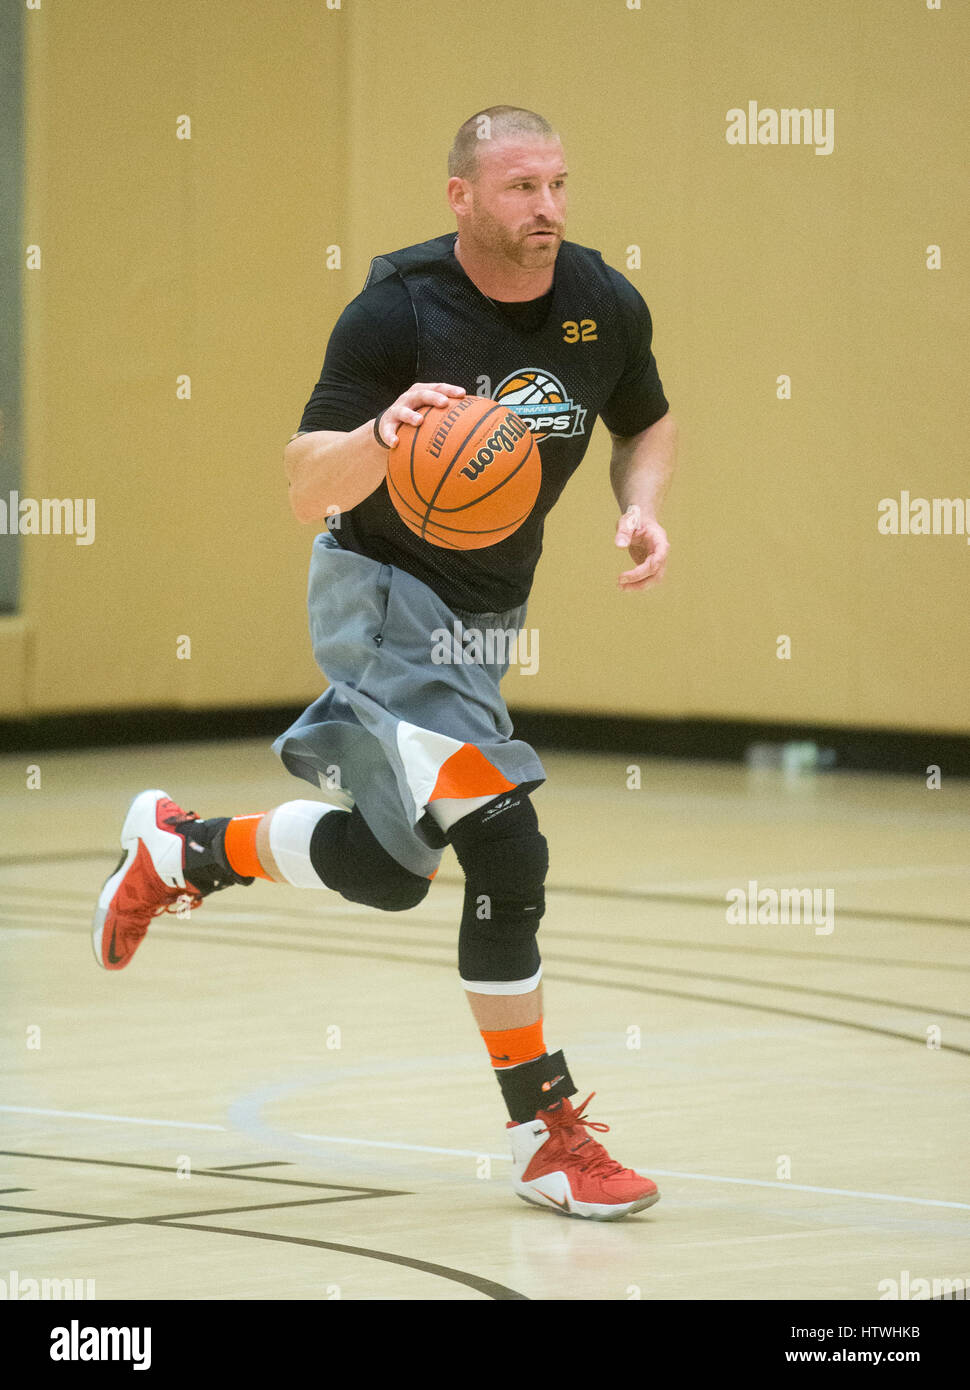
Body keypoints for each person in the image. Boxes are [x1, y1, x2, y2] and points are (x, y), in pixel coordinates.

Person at [93, 106, 677, 1222]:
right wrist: (384, 437)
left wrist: (640, 509)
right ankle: (543, 1132)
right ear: (460, 197)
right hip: (379, 599)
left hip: (479, 621)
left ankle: (184, 850)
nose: (547, 208)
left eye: (558, 184)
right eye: (519, 188)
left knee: (386, 869)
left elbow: (646, 420)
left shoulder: (602, 301)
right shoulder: (396, 312)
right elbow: (307, 480)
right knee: (507, 841)